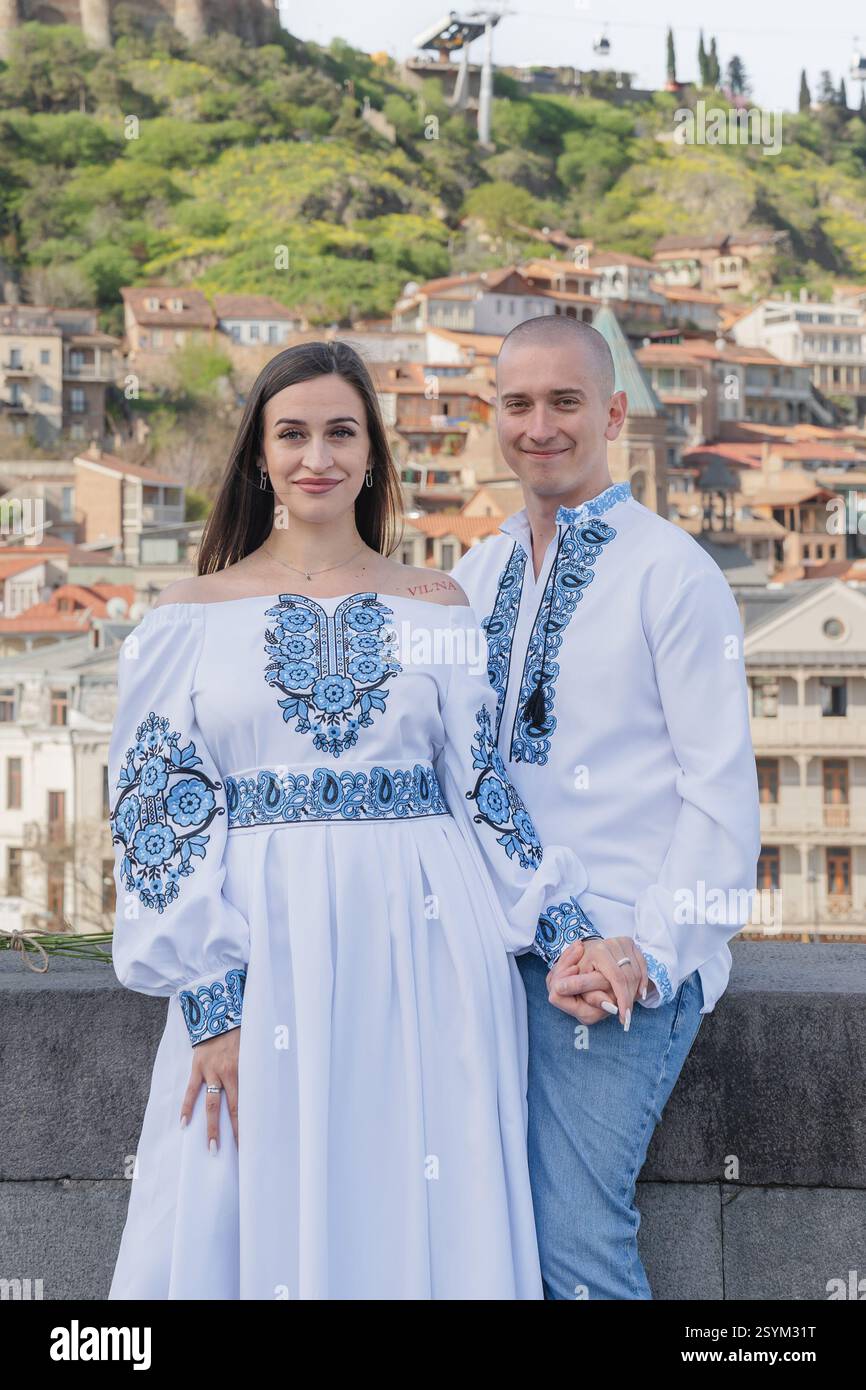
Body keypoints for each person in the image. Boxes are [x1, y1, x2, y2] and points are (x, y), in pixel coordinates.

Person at [105, 339, 628, 1301]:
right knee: (243, 1182)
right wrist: (211, 1000)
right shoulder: (185, 618)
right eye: (292, 433)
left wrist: (569, 933)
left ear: (373, 454)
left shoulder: (437, 603)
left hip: (432, 953)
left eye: (341, 432)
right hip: (267, 950)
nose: (318, 457)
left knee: (417, 1193)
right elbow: (155, 815)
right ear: (259, 455)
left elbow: (482, 789)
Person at [451, 315, 761, 1300]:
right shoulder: (472, 577)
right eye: (517, 404)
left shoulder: (673, 575)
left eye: (563, 402)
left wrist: (649, 949)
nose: (538, 426)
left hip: (618, 963)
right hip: (497, 958)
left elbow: (718, 791)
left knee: (574, 1252)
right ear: (493, 418)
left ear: (613, 413)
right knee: (480, 1243)